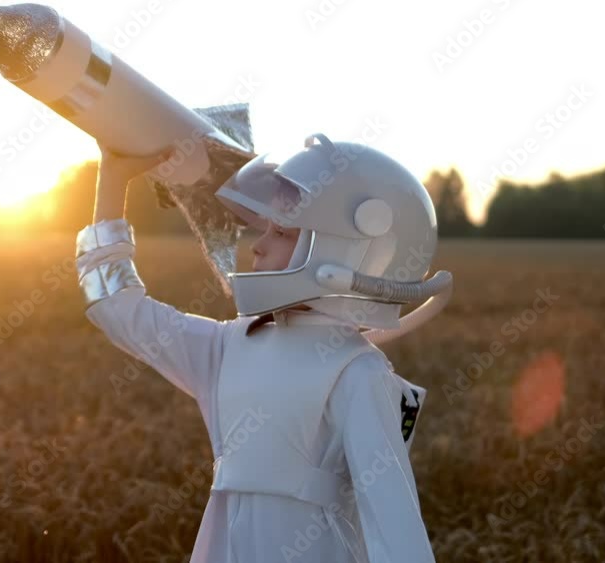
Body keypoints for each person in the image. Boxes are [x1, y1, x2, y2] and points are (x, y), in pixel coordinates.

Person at [76, 133, 447, 562]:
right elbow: (116, 308)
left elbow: (393, 522)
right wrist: (113, 177)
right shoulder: (228, 344)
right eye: (265, 228)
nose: (258, 244)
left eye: (282, 232)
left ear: (344, 250)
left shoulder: (358, 373)